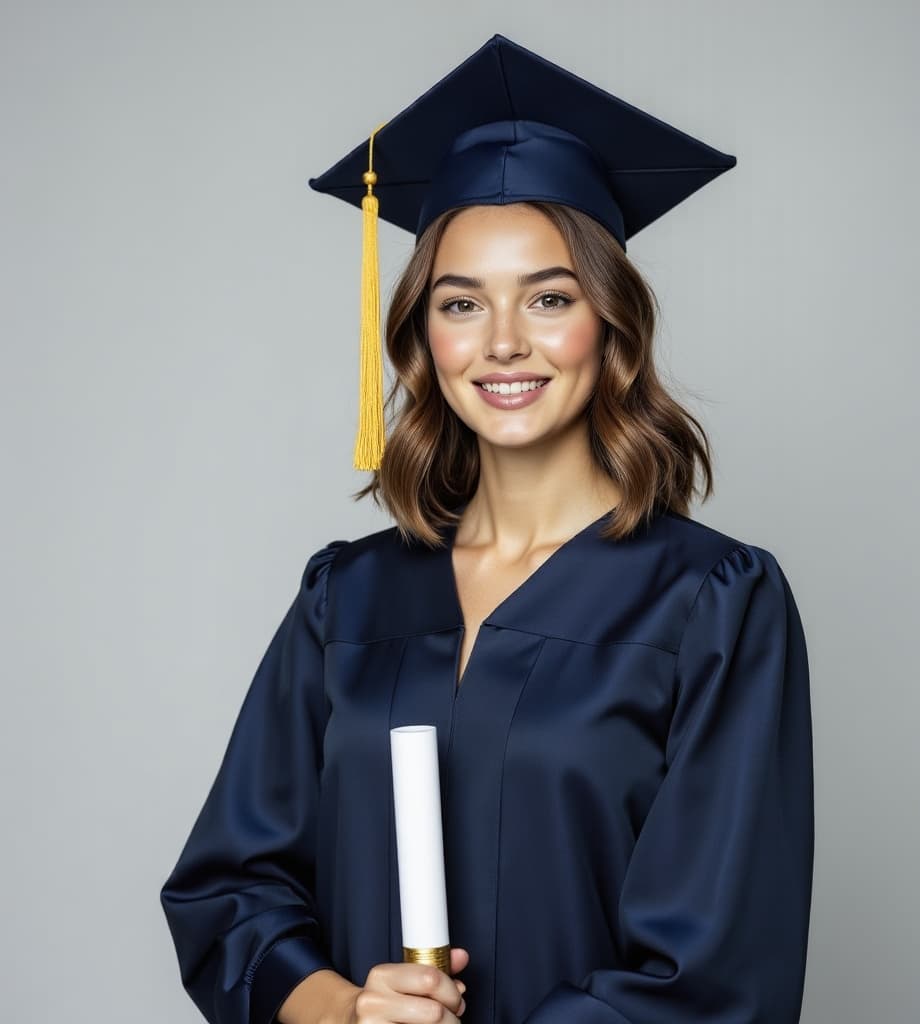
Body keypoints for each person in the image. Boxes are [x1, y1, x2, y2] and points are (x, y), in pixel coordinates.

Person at [159, 32, 814, 1024]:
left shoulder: (710, 603)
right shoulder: (350, 597)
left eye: (549, 297)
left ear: (612, 324)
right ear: (425, 332)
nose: (504, 342)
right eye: (461, 302)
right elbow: (228, 890)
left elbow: (717, 969)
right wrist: (342, 1008)